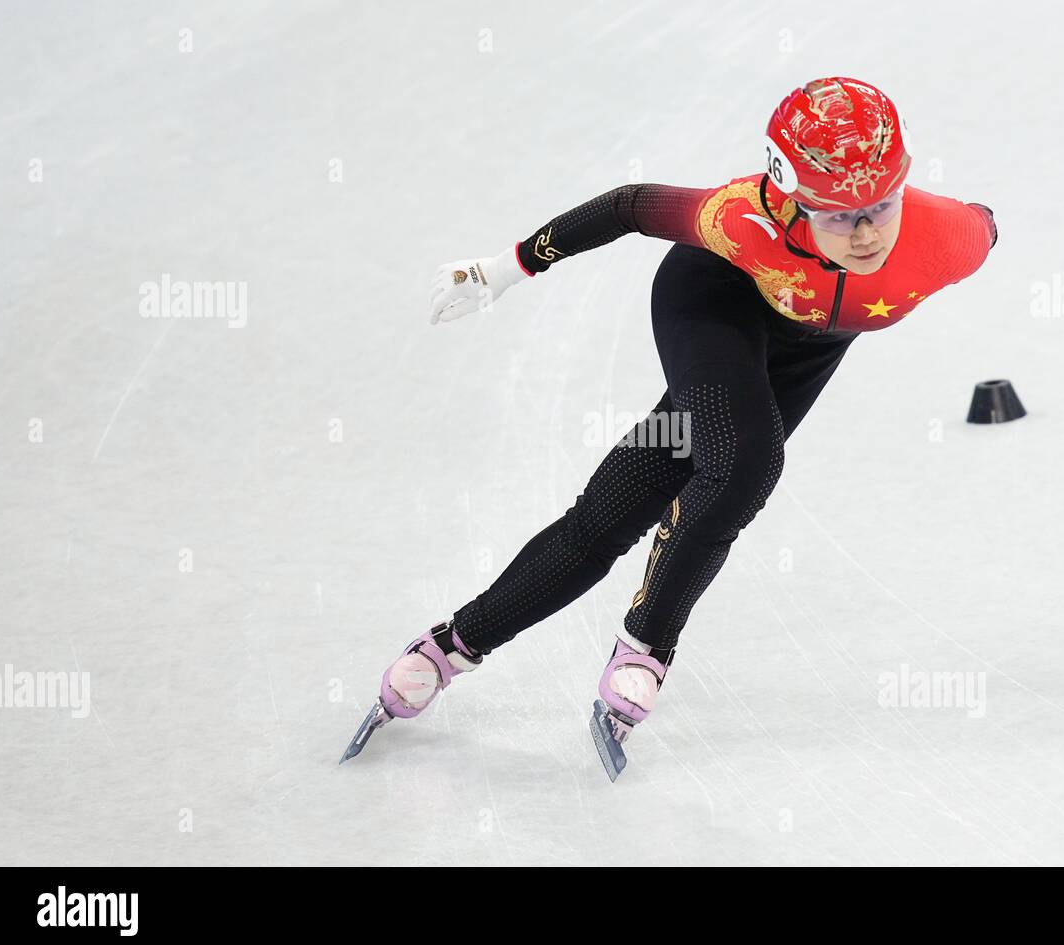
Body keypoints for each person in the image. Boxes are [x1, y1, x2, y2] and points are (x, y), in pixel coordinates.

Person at [348, 77, 997, 764]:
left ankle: (450, 645)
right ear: (791, 197)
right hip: (713, 307)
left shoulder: (951, 237)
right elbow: (630, 206)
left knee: (632, 496)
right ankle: (646, 646)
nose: (866, 233)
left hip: (802, 354)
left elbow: (988, 221)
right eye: (838, 215)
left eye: (881, 206)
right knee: (746, 462)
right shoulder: (738, 217)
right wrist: (504, 268)